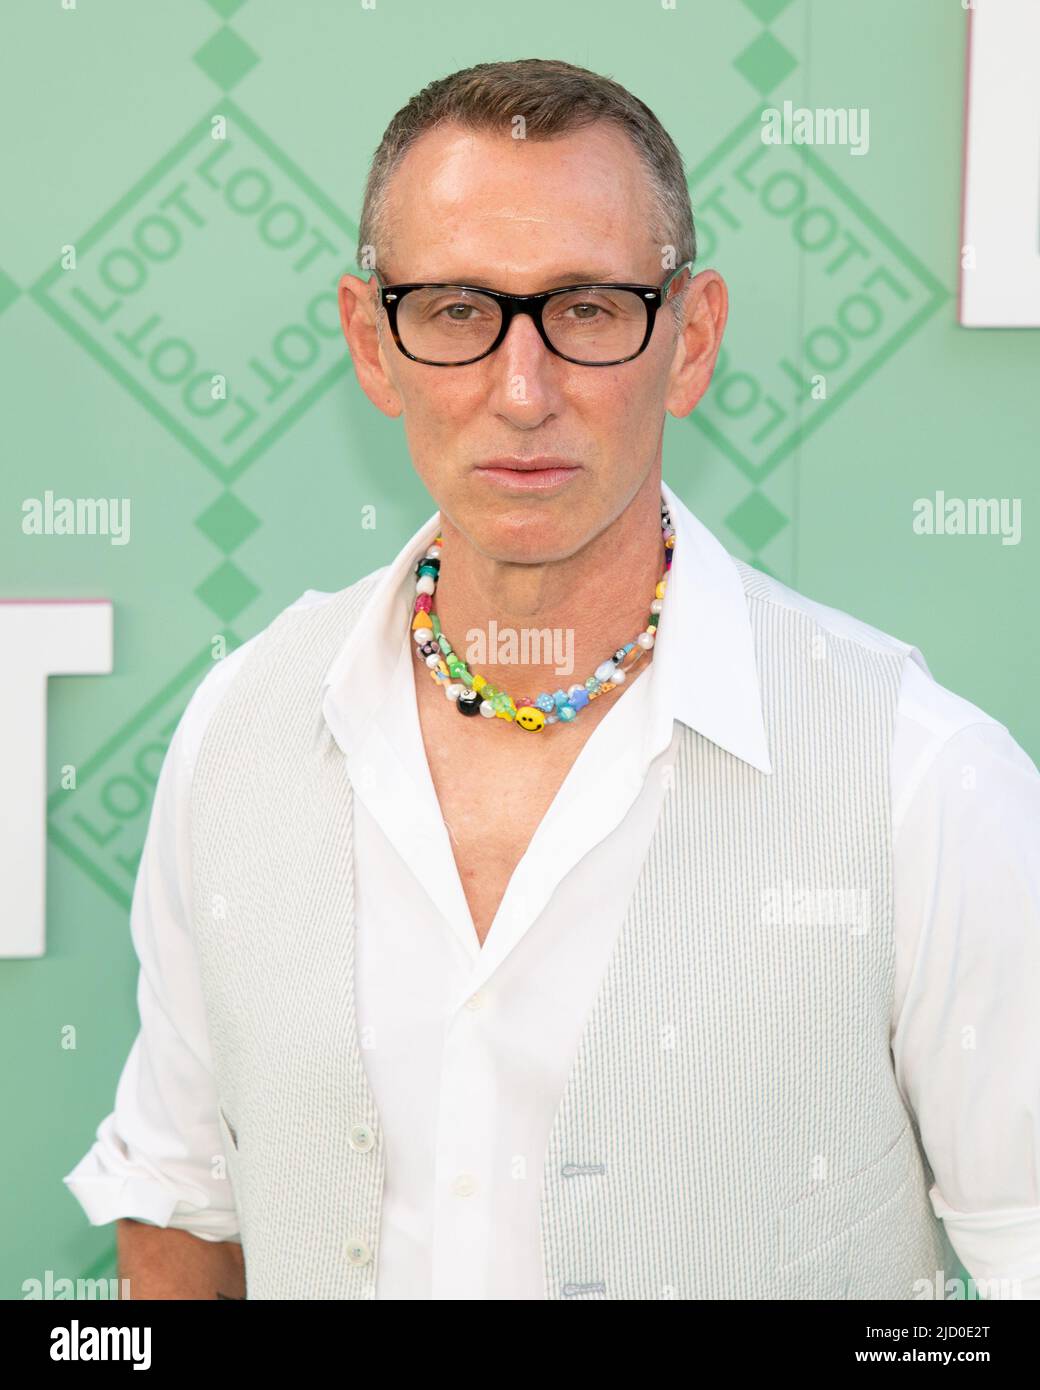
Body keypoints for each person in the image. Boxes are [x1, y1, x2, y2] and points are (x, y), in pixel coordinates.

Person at [63, 58, 1040, 1300]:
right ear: (374, 342)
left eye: (585, 308)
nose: (520, 393)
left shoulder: (923, 784)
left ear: (688, 340)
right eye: (459, 309)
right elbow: (180, 1205)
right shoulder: (241, 731)